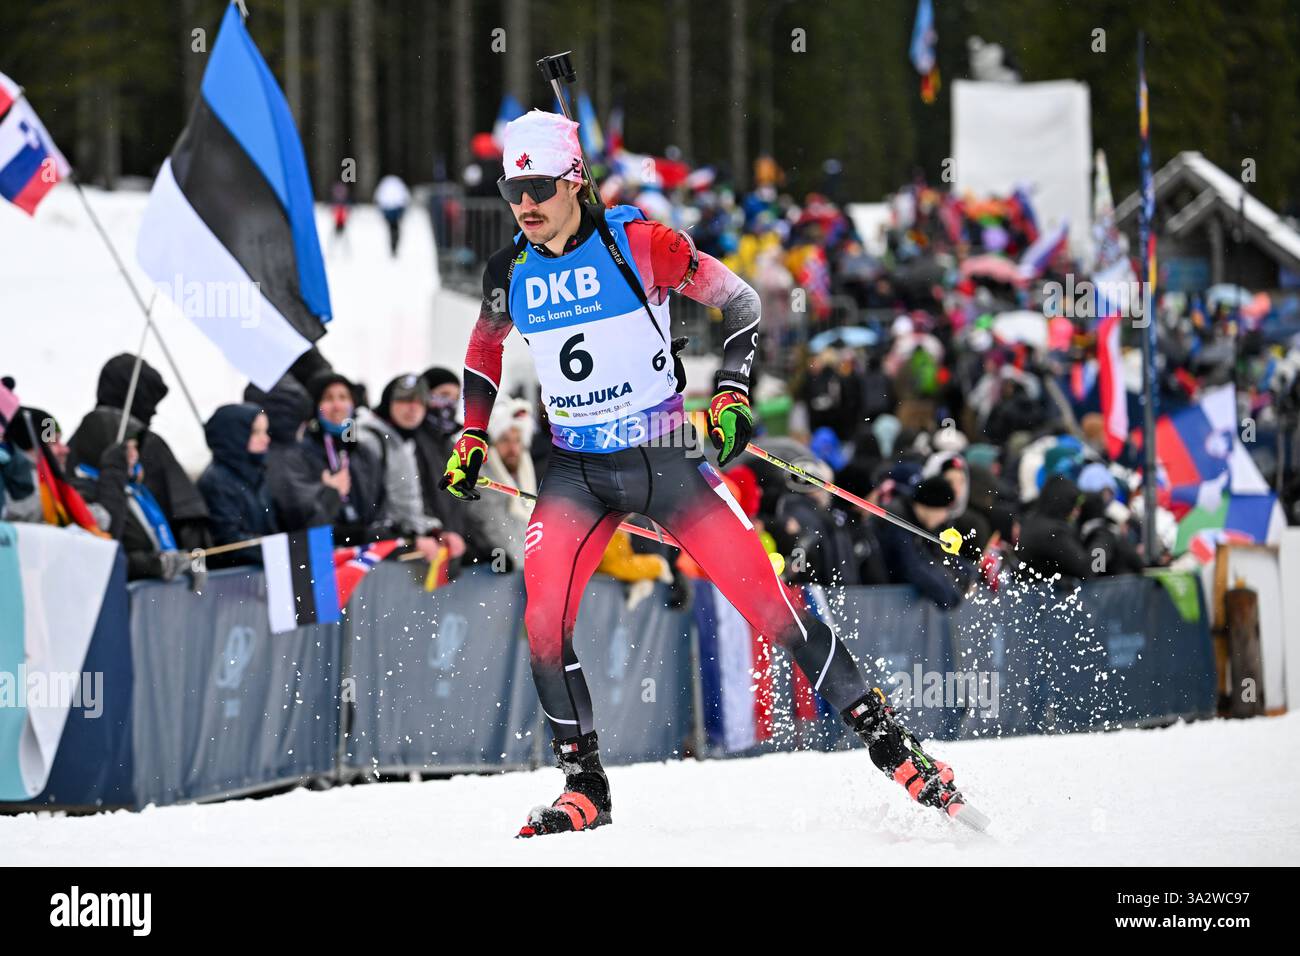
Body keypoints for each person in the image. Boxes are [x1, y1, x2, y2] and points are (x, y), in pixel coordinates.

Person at [439, 108, 974, 837]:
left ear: (574, 182)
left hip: (664, 457)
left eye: (537, 187)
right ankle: (584, 786)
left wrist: (731, 392)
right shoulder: (511, 271)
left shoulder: (639, 245)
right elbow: (482, 349)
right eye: (511, 191)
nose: (523, 205)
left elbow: (743, 302)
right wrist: (472, 435)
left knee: (773, 614)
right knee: (542, 620)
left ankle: (896, 748)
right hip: (576, 470)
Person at [67, 355, 211, 554]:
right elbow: (190, 523)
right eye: (149, 400)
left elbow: (187, 513)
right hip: (133, 568)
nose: (153, 411)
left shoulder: (77, 442)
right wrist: (195, 567)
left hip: (137, 568)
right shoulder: (150, 446)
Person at [356, 373, 466, 565]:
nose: (413, 408)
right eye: (404, 400)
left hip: (389, 552)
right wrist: (408, 541)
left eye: (420, 402)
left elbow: (406, 507)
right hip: (369, 557)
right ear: (388, 401)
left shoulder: (403, 441)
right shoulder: (369, 441)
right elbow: (370, 517)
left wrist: (433, 531)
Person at [271, 370, 388, 547]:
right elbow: (302, 518)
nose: (337, 405)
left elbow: (380, 505)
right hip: (324, 555)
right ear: (315, 406)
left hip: (365, 553)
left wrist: (373, 533)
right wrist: (331, 493)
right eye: (328, 398)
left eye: (343, 397)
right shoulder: (300, 455)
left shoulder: (363, 452)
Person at [197, 403, 279, 564]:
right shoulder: (217, 482)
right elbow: (228, 541)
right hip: (235, 580)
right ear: (235, 435)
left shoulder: (255, 473)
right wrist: (276, 551)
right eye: (256, 432)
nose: (266, 439)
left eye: (265, 431)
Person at [374, 173, 410, 257]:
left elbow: (378, 198)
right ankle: (394, 246)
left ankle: (393, 246)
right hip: (395, 211)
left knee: (392, 230)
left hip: (390, 211)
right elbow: (405, 198)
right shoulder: (398, 184)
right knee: (395, 230)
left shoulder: (385, 184)